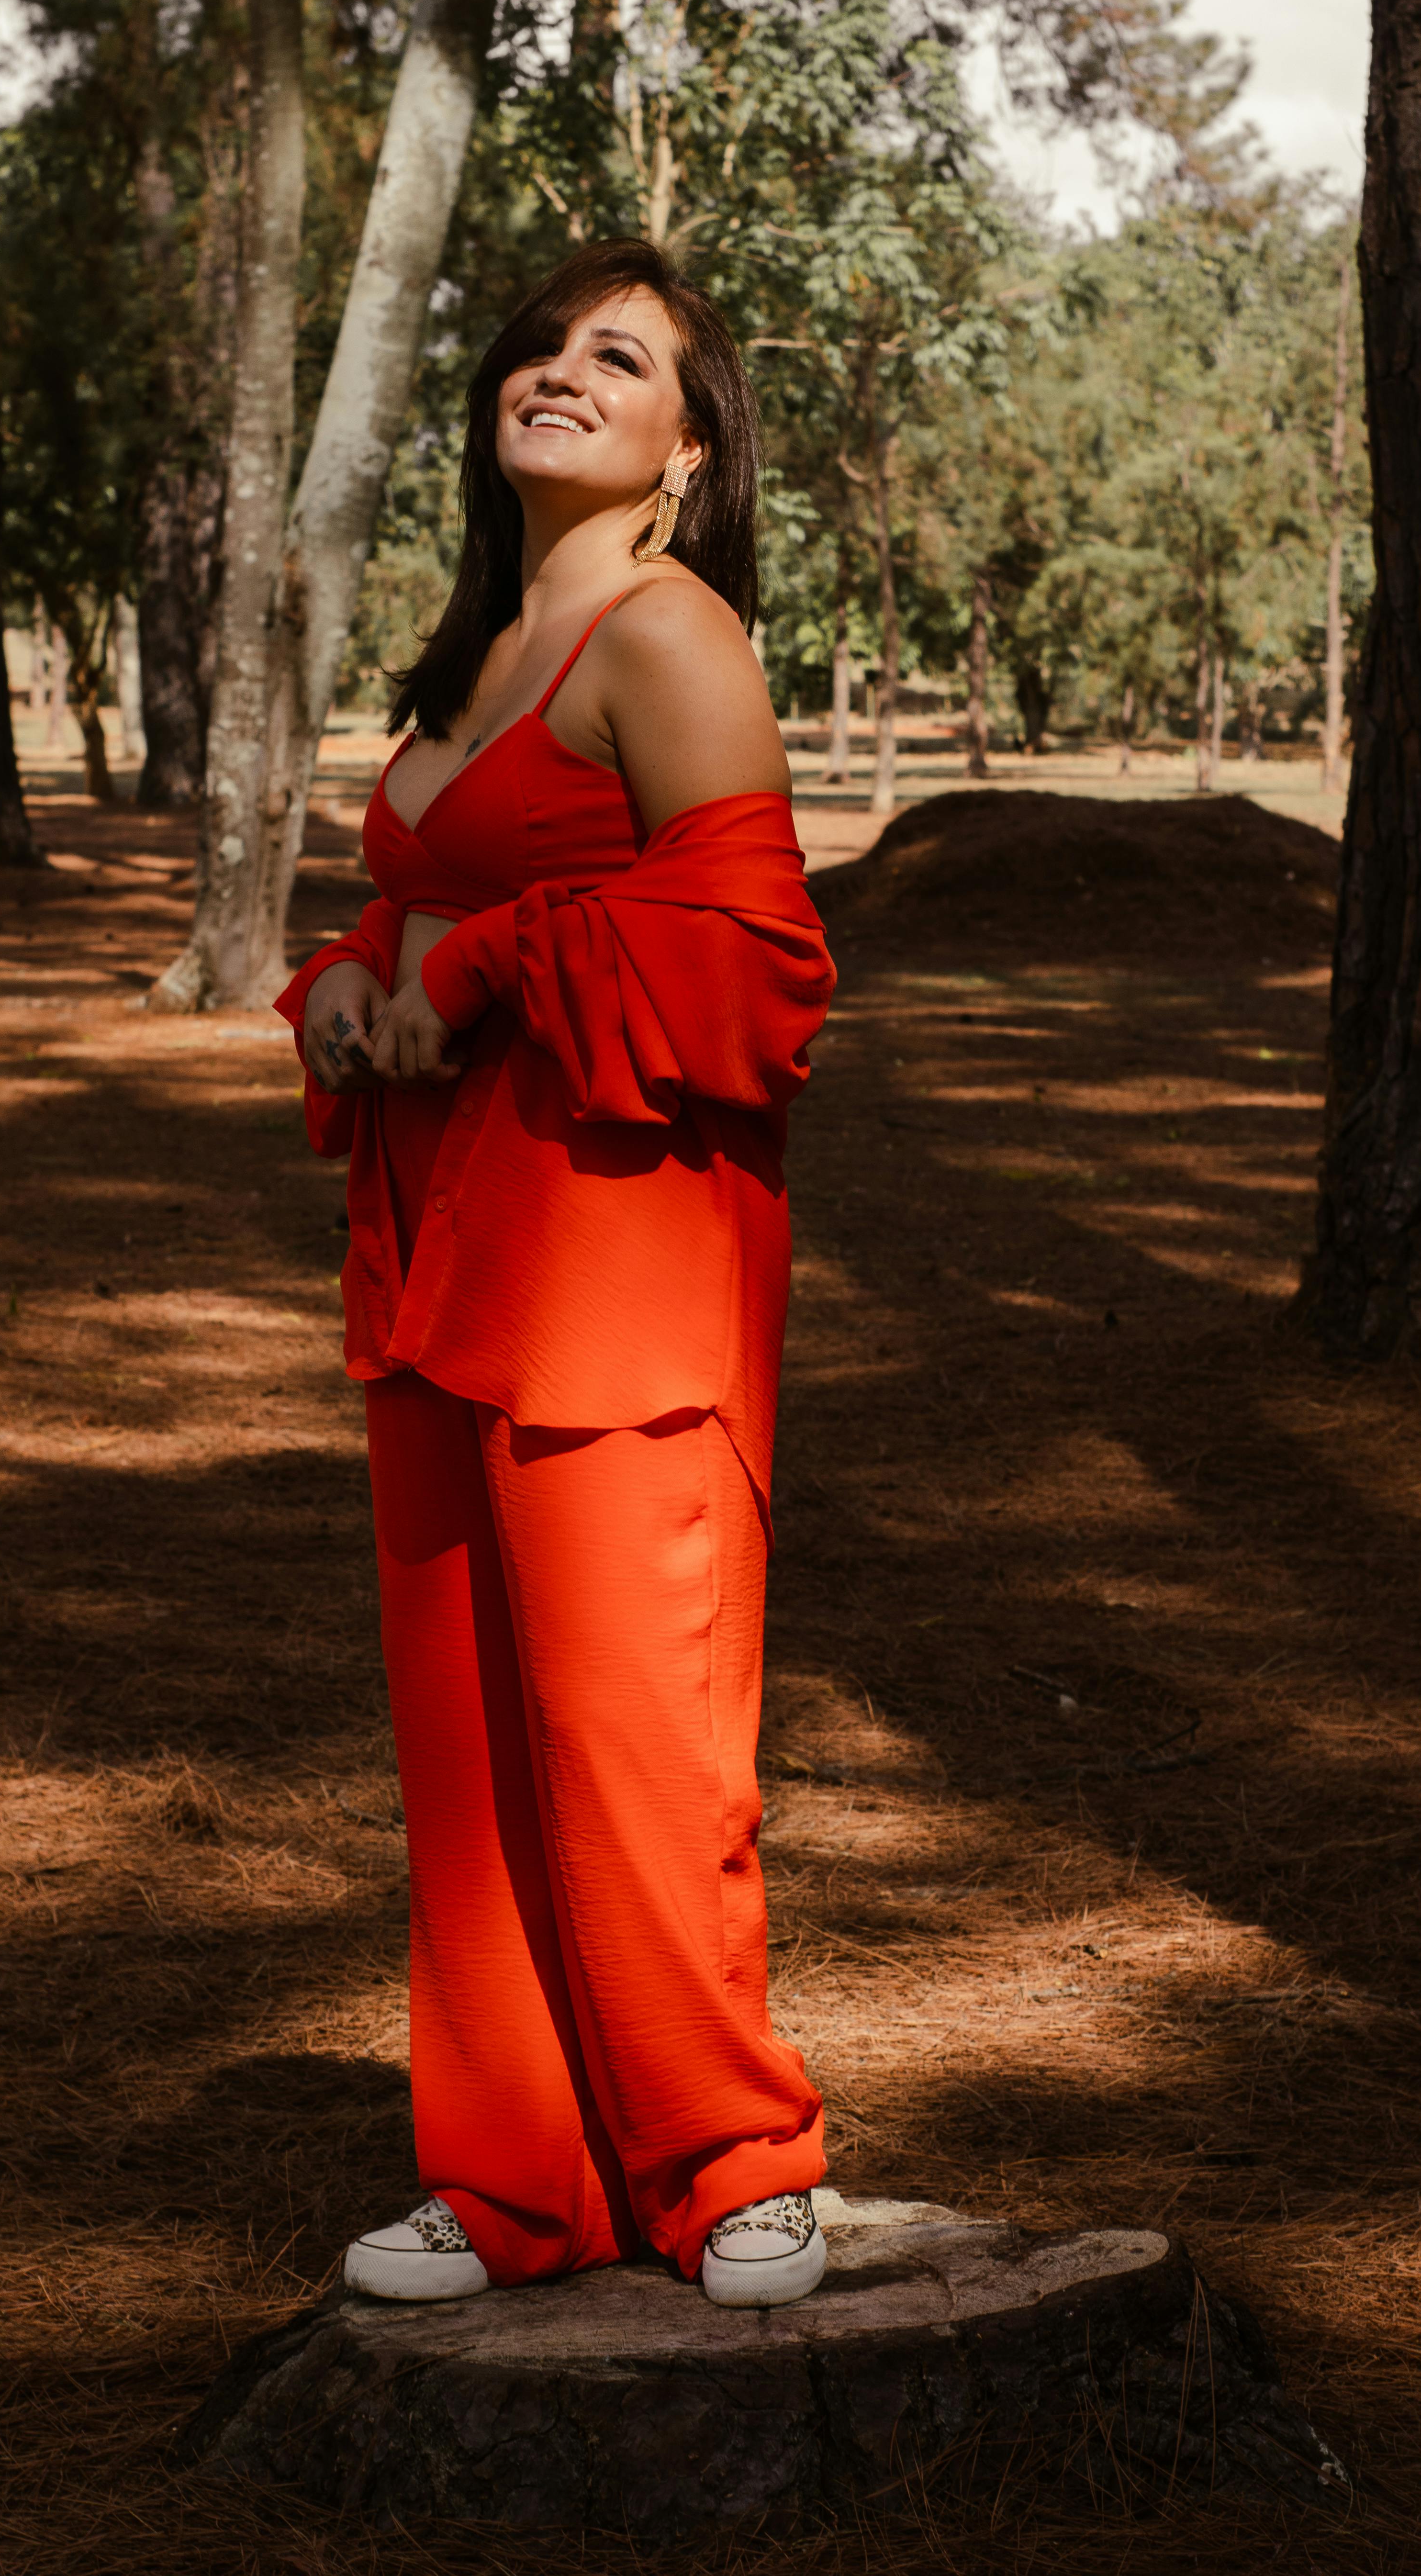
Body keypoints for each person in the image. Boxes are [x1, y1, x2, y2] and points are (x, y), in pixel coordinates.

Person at [276, 239, 837, 2310]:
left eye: (623, 359)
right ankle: (512, 2184)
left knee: (633, 1739)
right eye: (537, 346)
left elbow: (761, 969)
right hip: (437, 1267)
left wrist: (494, 967)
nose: (561, 372)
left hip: (615, 1272)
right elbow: (422, 899)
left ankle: (729, 2160)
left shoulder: (666, 635)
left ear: (689, 450)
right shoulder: (486, 647)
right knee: (469, 1755)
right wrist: (347, 987)